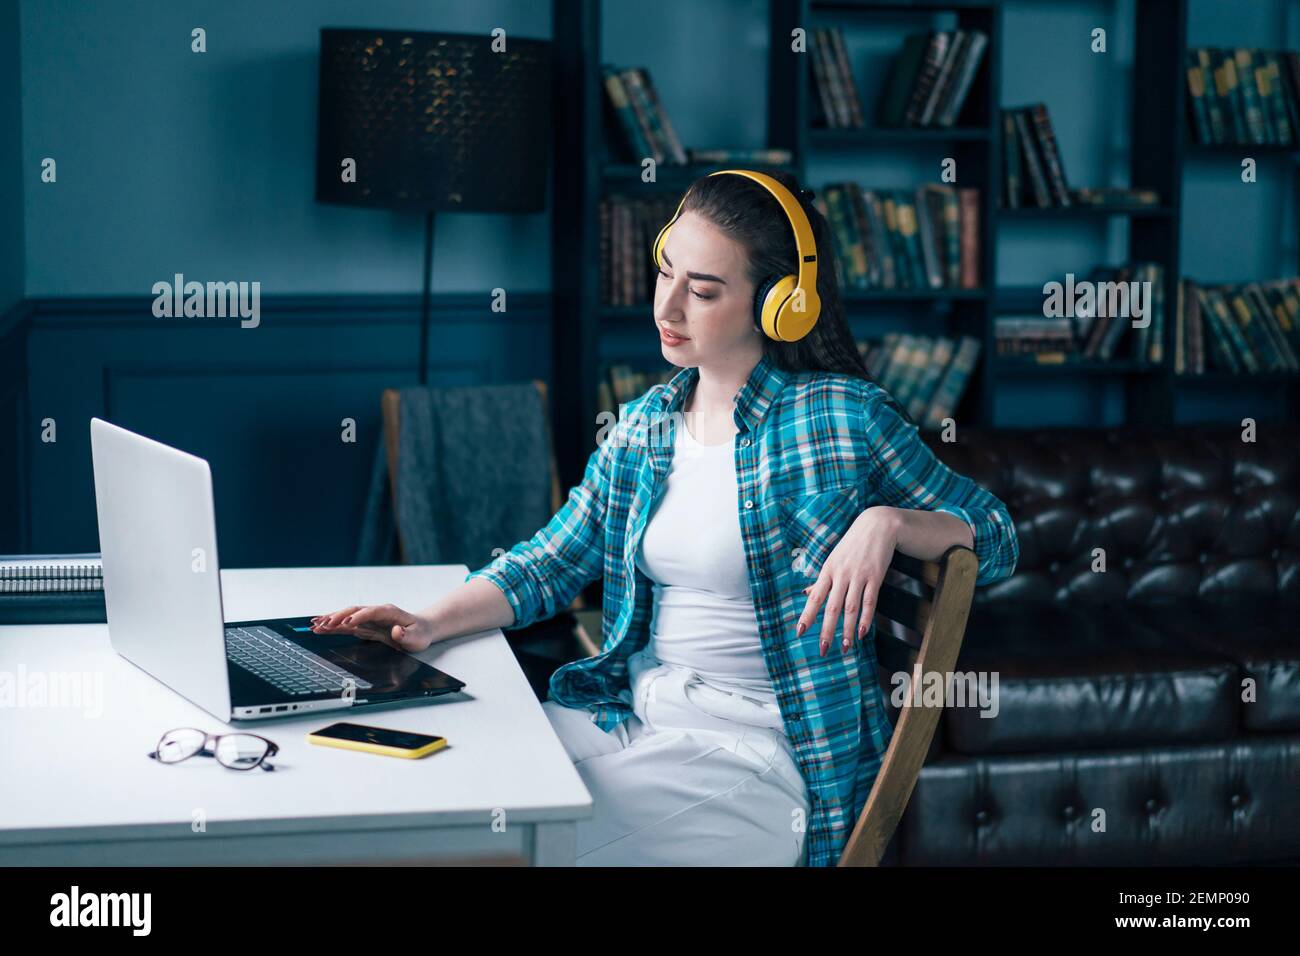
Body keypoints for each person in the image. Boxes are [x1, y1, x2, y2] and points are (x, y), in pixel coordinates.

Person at [311, 169, 1019, 866]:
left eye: (703, 290)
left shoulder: (841, 418)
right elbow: (552, 560)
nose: (668, 307)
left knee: (519, 846)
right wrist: (427, 623)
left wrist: (888, 523)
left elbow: (995, 533)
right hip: (634, 714)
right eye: (665, 273)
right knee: (455, 798)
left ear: (780, 305)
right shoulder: (647, 424)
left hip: (757, 758)